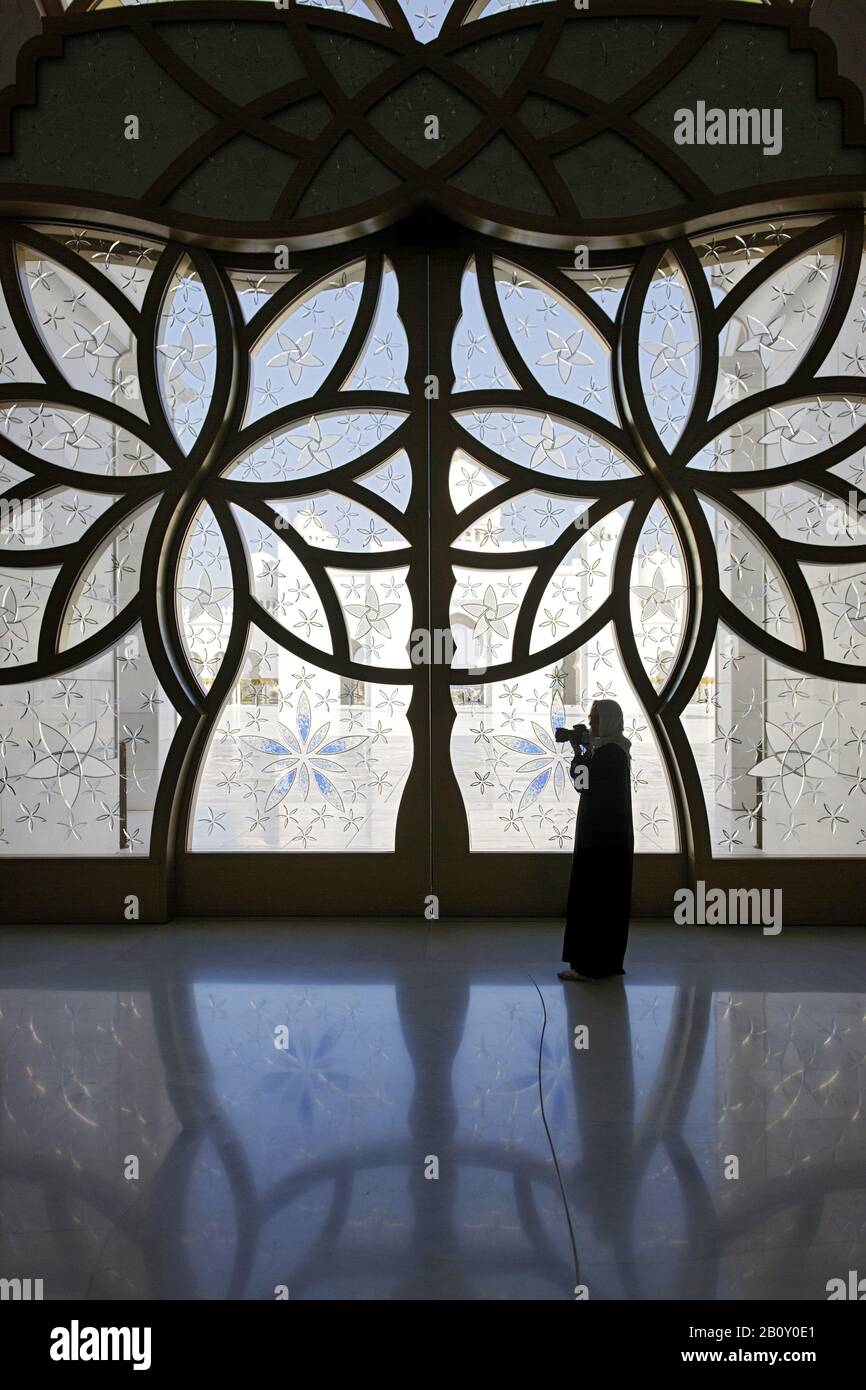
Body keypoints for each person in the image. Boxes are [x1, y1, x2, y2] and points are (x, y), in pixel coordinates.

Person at [558, 698, 633, 982]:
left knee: (594, 899)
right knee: (605, 901)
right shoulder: (613, 750)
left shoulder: (609, 753)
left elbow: (582, 783)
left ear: (608, 721)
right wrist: (585, 748)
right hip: (608, 836)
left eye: (595, 719)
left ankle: (590, 966)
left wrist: (578, 750)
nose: (591, 724)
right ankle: (603, 963)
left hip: (600, 839)